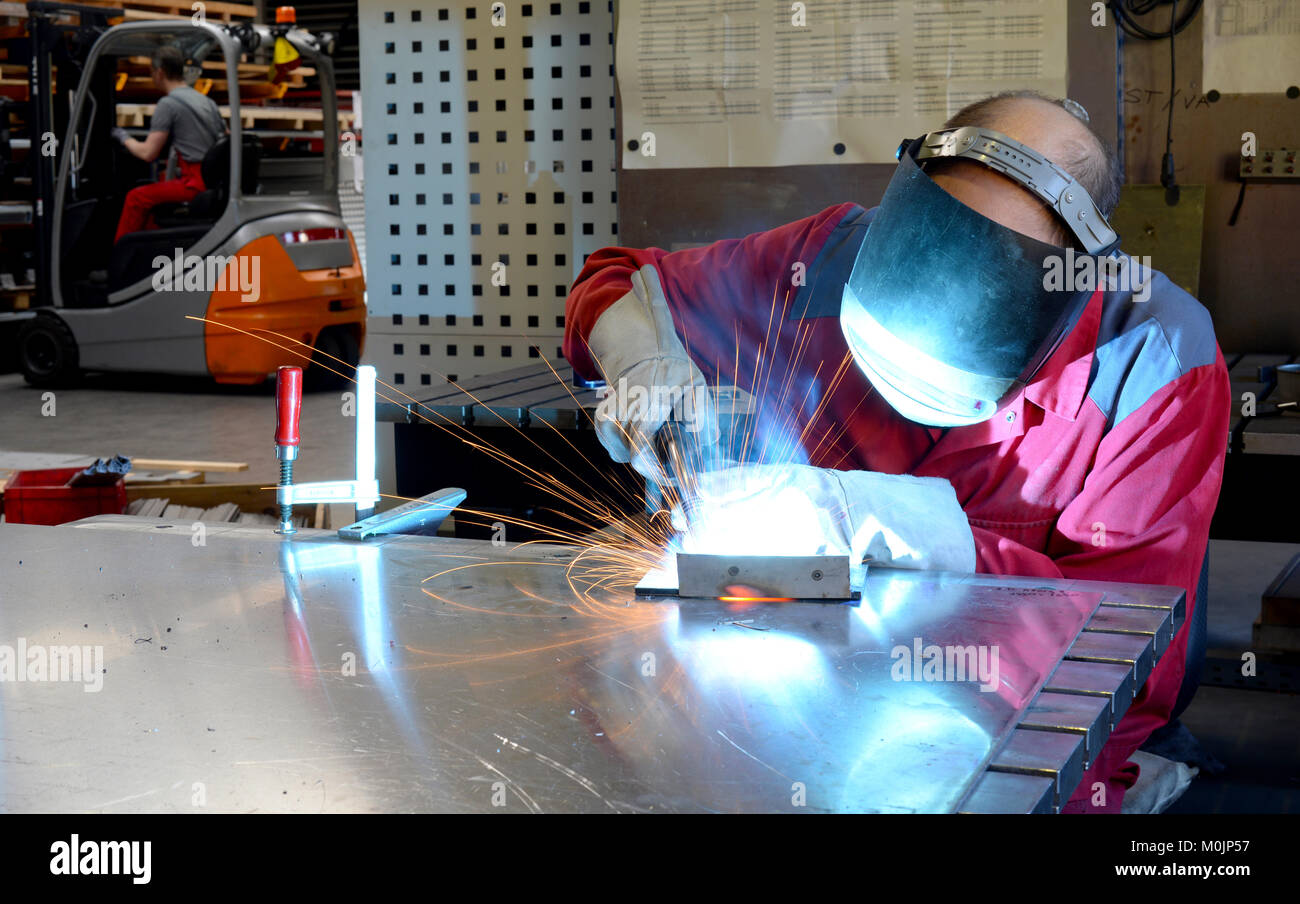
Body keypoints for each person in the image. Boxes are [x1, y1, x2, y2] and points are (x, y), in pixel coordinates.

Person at [563, 91, 1230, 813]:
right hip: (801, 703)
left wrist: (918, 533)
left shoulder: (1155, 362)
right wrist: (639, 364)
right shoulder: (821, 261)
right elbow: (616, 280)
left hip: (1008, 737)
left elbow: (1130, 655)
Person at [111, 45, 226, 243]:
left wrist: (122, 137)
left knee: (136, 198)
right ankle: (148, 253)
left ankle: (119, 262)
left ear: (160, 72)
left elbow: (148, 153)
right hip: (214, 181)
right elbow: (225, 136)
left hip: (195, 184)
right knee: (155, 195)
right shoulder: (206, 101)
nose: (152, 77)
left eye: (151, 72)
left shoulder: (168, 104)